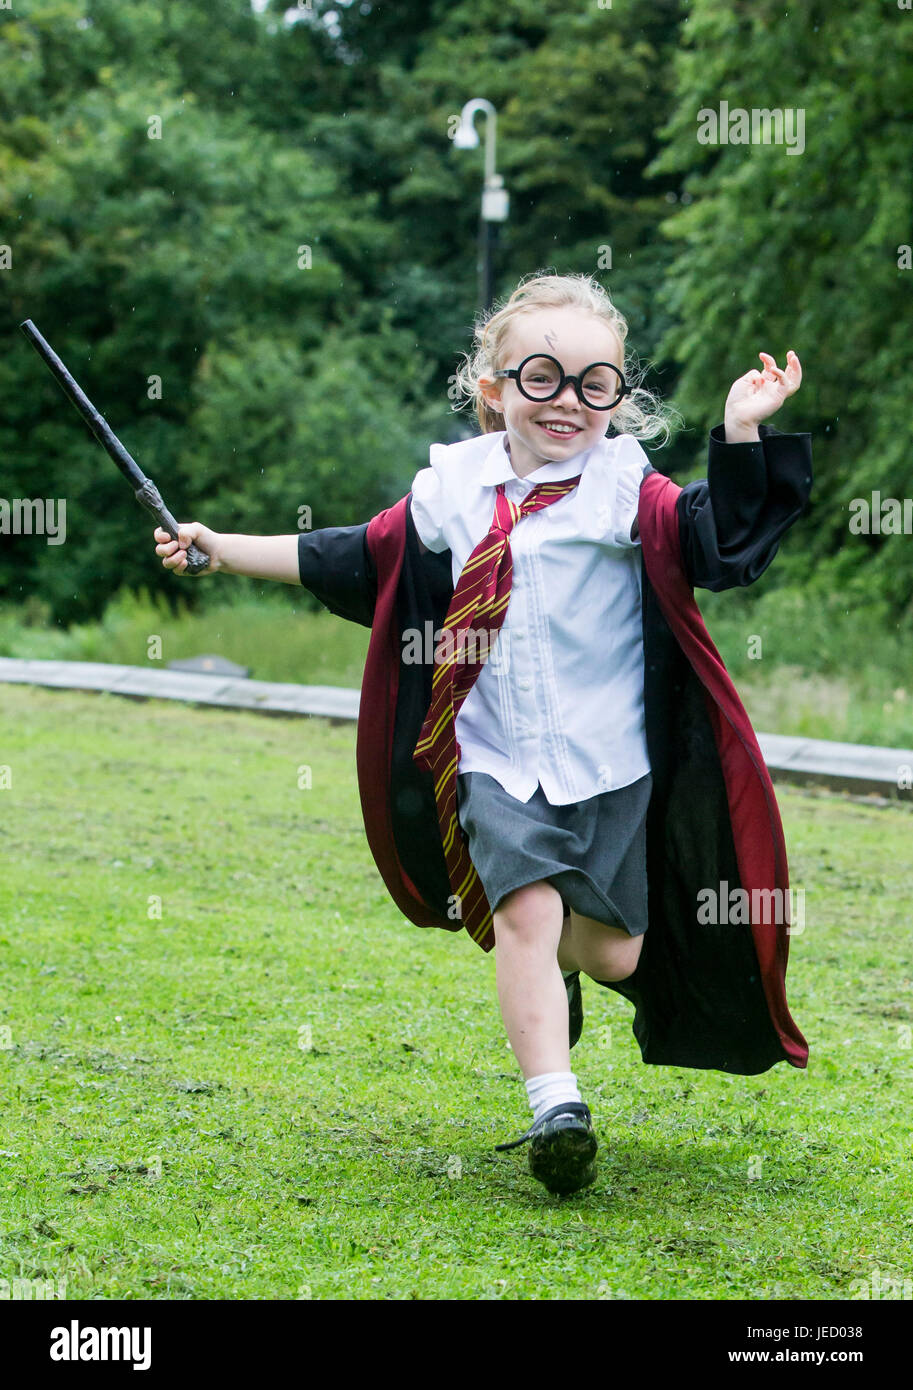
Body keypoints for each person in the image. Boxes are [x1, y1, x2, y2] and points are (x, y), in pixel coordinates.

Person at [154, 272, 812, 1198]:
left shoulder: (627, 488)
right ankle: (556, 1106)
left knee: (614, 950)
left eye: (595, 385)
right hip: (492, 757)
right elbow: (346, 556)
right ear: (493, 387)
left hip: (608, 764)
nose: (567, 403)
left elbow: (723, 543)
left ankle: (552, 976)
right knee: (524, 913)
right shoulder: (451, 490)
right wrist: (218, 544)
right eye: (541, 377)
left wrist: (742, 431)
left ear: (619, 399)